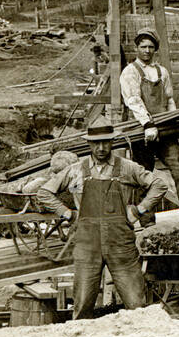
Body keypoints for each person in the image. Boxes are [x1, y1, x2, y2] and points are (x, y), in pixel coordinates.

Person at [35, 119, 166, 320]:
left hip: (120, 244)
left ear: (112, 142)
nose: (102, 148)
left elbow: (159, 185)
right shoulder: (76, 170)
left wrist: (138, 211)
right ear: (89, 144)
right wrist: (68, 214)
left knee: (137, 306)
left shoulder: (128, 168)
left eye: (106, 142)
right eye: (96, 143)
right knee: (82, 305)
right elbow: (44, 193)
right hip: (87, 244)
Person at [118, 28, 179, 222]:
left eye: (151, 47)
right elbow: (132, 100)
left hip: (165, 130)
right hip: (142, 131)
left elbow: (169, 99)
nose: (147, 51)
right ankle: (146, 220)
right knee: (143, 175)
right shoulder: (130, 72)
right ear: (136, 48)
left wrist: (174, 119)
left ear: (155, 49)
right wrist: (148, 124)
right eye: (143, 47)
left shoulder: (162, 72)